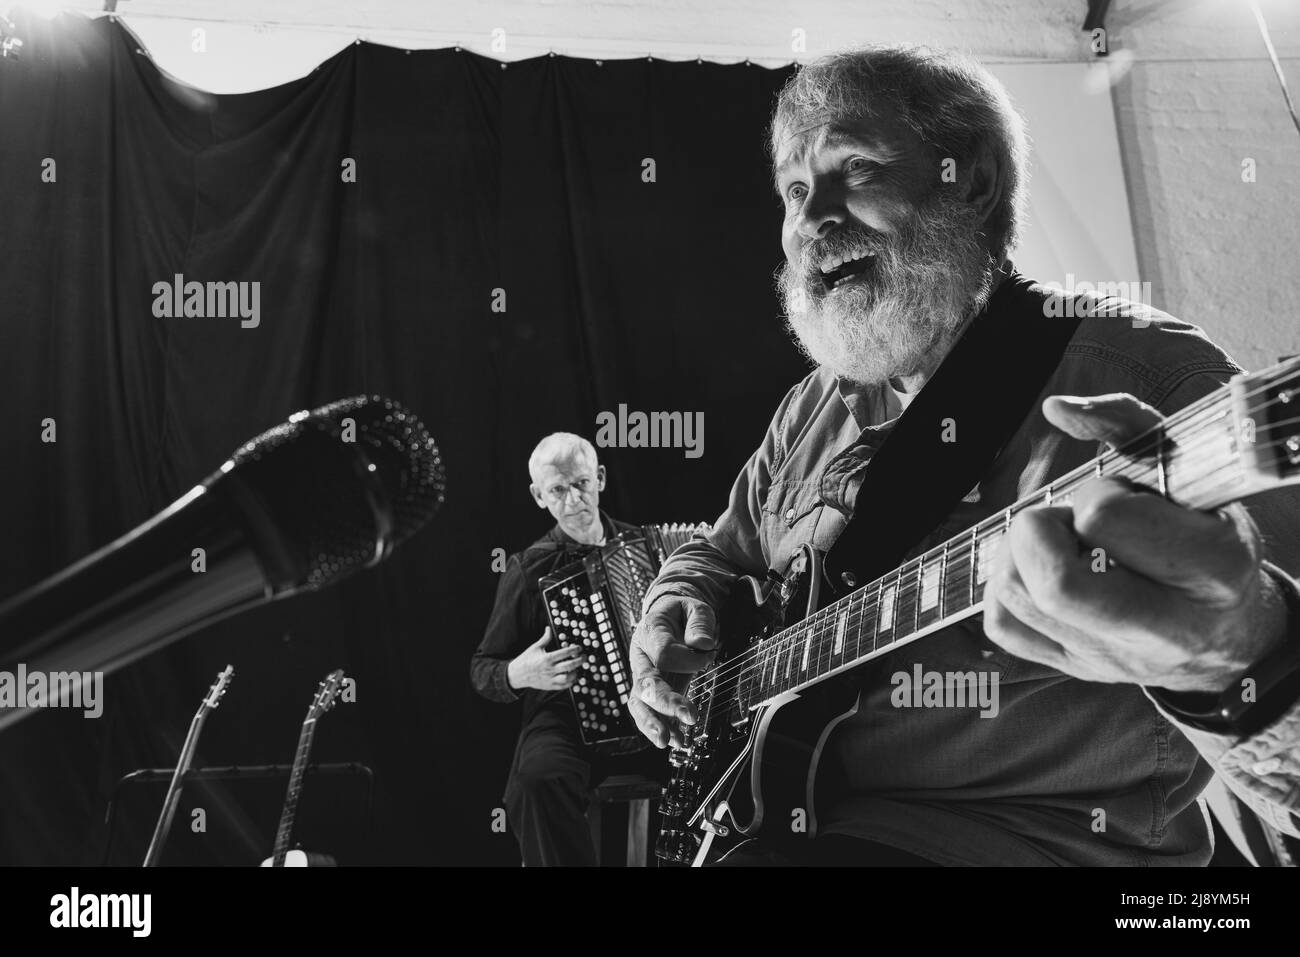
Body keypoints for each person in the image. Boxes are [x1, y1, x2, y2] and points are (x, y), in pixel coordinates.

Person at [628, 45, 1300, 866]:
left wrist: (1242, 655)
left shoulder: (1152, 377)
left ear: (971, 182)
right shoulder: (811, 406)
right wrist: (674, 601)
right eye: (796, 190)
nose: (812, 219)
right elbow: (719, 549)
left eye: (855, 168)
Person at [472, 432, 658, 866]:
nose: (573, 499)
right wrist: (519, 673)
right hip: (565, 715)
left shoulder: (648, 547)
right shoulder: (527, 567)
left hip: (652, 705)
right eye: (558, 490)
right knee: (538, 779)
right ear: (540, 496)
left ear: (601, 478)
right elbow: (482, 668)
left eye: (581, 483)